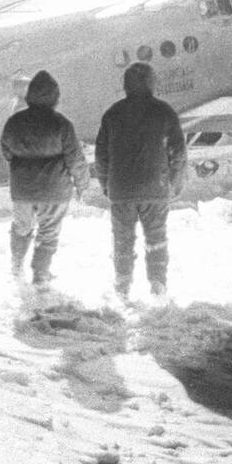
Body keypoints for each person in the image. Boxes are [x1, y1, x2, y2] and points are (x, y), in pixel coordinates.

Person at [94, 62, 188, 299]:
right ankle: (158, 285)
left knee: (122, 240)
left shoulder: (112, 114)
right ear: (152, 83)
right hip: (155, 189)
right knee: (156, 238)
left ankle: (122, 286)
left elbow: (101, 155)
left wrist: (106, 185)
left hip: (121, 190)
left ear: (125, 85)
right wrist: (174, 184)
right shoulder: (164, 111)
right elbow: (178, 153)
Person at [0, 71, 90, 287]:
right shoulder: (62, 123)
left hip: (23, 189)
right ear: (55, 97)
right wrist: (82, 183)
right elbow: (75, 158)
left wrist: (20, 165)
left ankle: (16, 265)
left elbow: (6, 149)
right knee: (48, 233)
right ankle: (40, 274)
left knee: (21, 227)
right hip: (54, 189)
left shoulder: (14, 121)